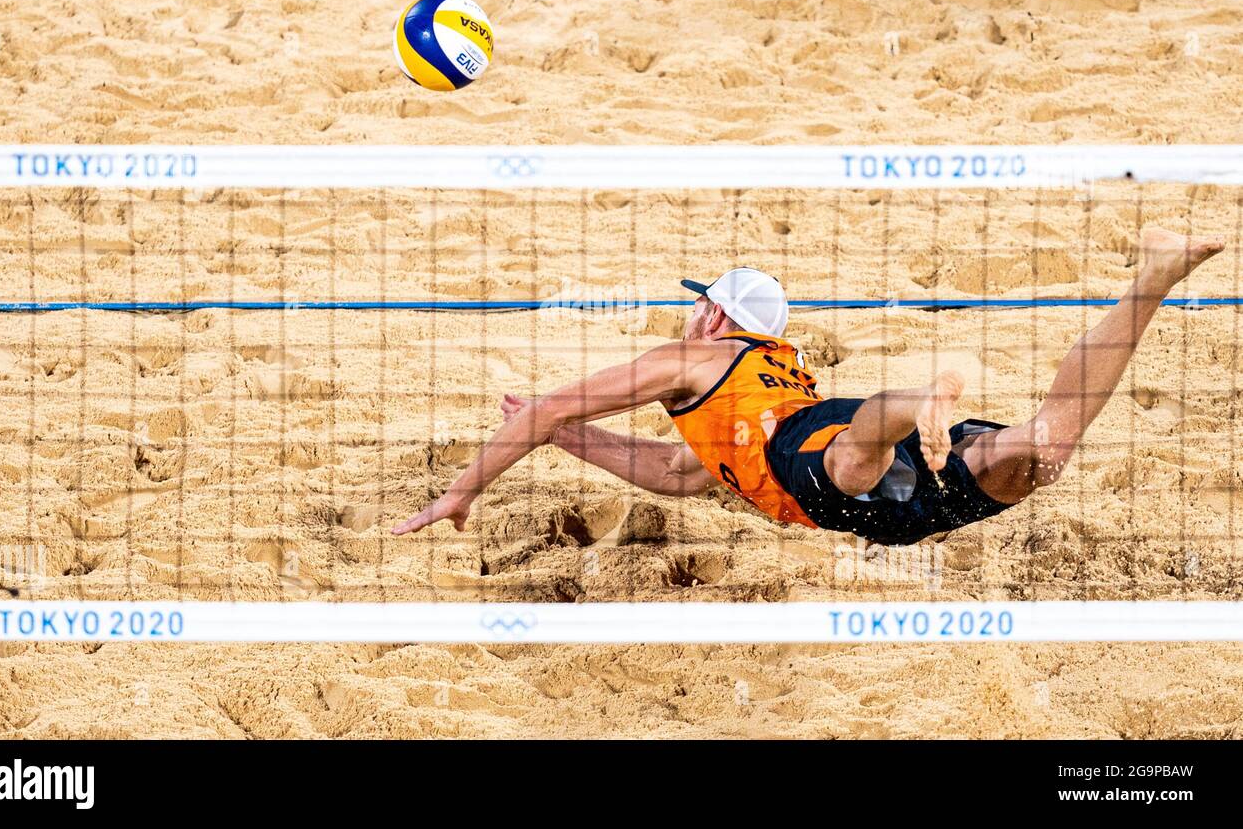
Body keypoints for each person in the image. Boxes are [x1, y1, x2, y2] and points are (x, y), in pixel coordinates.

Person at [393, 228, 1223, 545]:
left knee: (853, 460)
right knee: (1045, 444)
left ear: (714, 318)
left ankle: (923, 396)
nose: (689, 320)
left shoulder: (691, 362)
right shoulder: (777, 369)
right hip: (909, 502)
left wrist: (464, 490)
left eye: (699, 308)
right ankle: (1150, 281)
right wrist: (569, 438)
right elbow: (681, 475)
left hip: (834, 476)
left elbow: (547, 405)